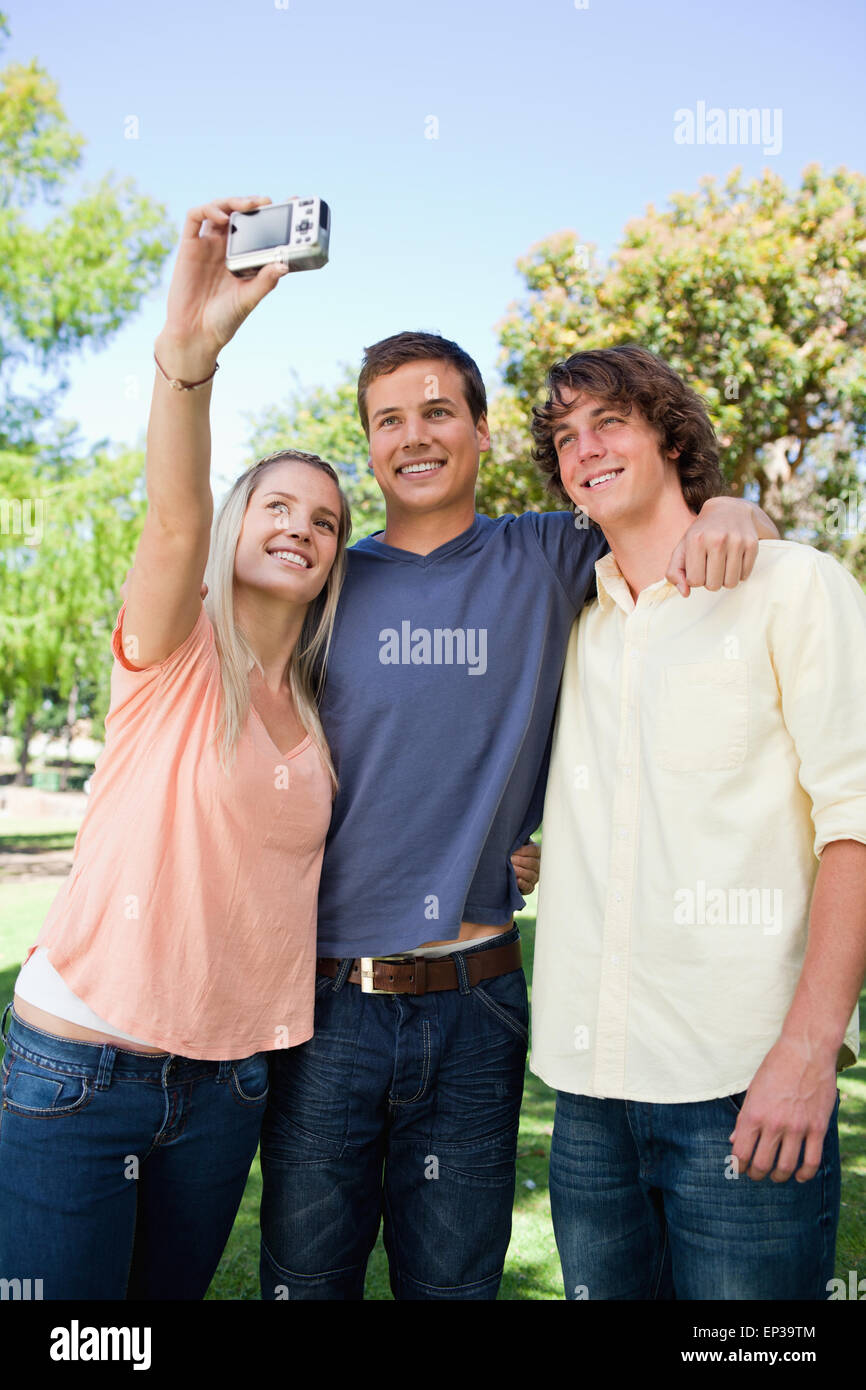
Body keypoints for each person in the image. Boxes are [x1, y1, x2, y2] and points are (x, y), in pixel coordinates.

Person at [258, 330, 780, 1301]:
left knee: (454, 1286)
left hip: (476, 1006)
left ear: (482, 432)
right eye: (389, 419)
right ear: (367, 444)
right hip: (323, 1007)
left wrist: (733, 505)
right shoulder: (320, 585)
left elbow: (661, 517)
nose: (413, 436)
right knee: (301, 1283)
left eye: (437, 411)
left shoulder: (546, 551)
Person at [0, 195, 352, 1300]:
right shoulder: (173, 652)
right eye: (277, 505)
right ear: (239, 522)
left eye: (326, 520)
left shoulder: (318, 707)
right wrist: (188, 359)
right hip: (82, 1065)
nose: (299, 525)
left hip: (228, 1085)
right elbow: (171, 518)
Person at [528, 343, 866, 1300]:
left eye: (609, 423)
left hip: (748, 1085)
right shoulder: (570, 621)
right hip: (586, 1095)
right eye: (565, 437)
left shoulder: (794, 588)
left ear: (671, 438)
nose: (585, 448)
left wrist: (810, 1054)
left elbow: (857, 822)